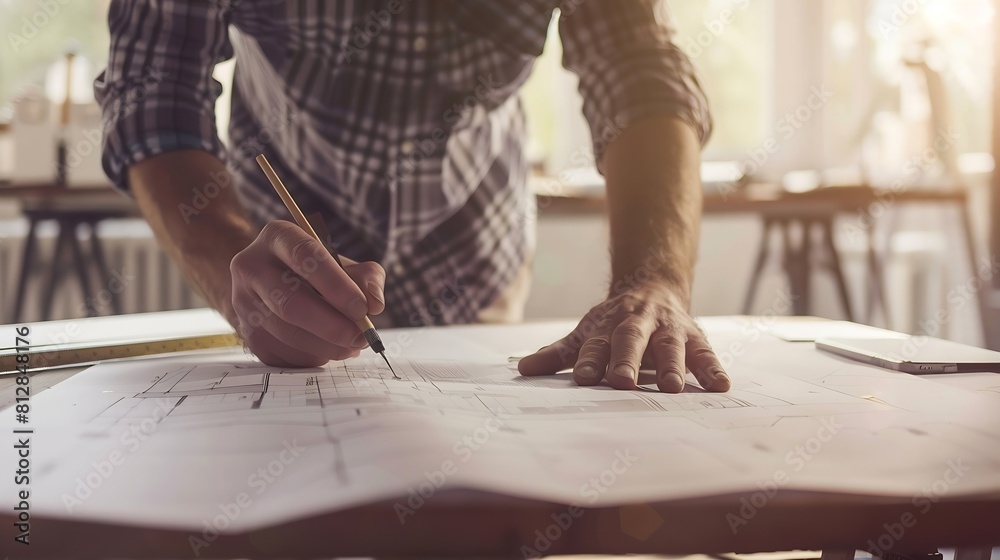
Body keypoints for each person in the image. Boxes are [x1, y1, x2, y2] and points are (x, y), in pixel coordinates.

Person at [96, 0, 731, 394]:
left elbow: (639, 70)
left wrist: (657, 280)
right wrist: (232, 268)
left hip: (474, 253)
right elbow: (154, 86)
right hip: (279, 249)